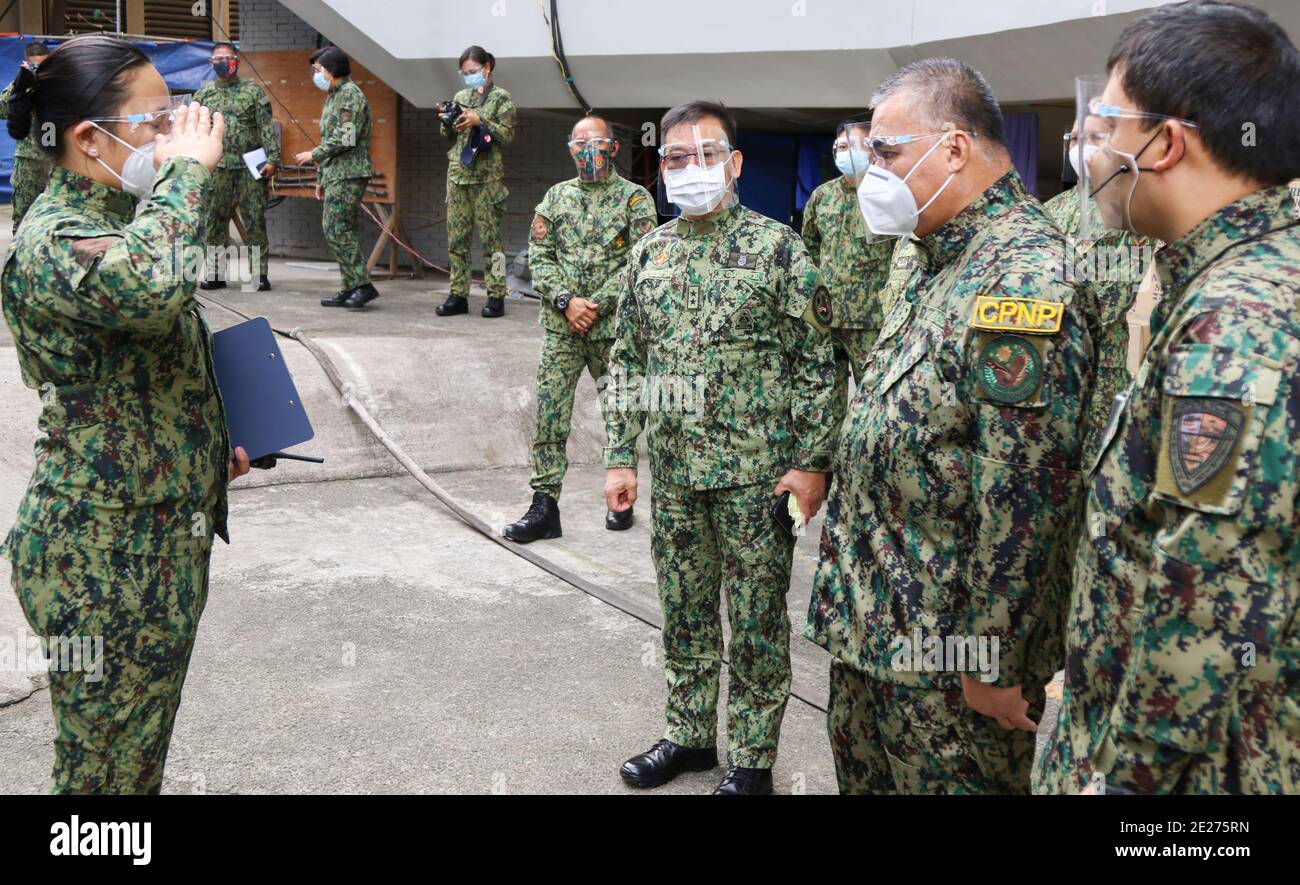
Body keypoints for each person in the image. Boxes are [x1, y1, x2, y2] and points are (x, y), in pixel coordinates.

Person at [805, 58, 1091, 794]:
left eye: (888, 153)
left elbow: (1027, 498)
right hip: (875, 641)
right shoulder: (935, 257)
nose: (873, 174)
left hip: (946, 672)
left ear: (954, 148)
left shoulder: (1022, 277)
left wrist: (989, 662)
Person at [1037, 0, 1300, 795]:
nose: (1095, 148)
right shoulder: (1239, 275)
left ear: (1165, 143)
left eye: (1107, 123)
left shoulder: (1236, 321)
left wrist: (1128, 779)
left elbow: (1211, 584)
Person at [0, 34, 251, 794]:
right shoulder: (54, 239)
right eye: (156, 121)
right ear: (88, 139)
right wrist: (184, 173)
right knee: (101, 775)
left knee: (135, 760)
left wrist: (207, 441)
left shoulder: (124, 219)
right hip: (99, 557)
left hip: (154, 537)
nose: (173, 135)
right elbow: (150, 288)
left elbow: (143, 362)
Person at [605, 100, 841, 795]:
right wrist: (622, 455)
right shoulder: (648, 254)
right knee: (684, 610)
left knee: (759, 622)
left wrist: (811, 463)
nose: (690, 169)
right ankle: (689, 734)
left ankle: (752, 761)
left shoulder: (779, 251)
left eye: (705, 156)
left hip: (756, 479)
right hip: (677, 476)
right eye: (676, 158)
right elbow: (627, 362)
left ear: (734, 165)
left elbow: (817, 364)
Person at [502, 116, 657, 543]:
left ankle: (620, 497)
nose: (589, 149)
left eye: (598, 141)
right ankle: (544, 506)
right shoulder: (556, 198)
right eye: (580, 142)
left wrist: (597, 304)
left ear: (614, 148)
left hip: (614, 331)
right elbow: (540, 254)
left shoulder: (634, 199)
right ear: (570, 149)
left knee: (621, 413)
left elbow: (640, 260)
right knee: (550, 415)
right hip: (561, 329)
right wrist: (565, 302)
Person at [1044, 124, 1152, 464]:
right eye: (1074, 139)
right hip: (1054, 376)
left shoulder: (1131, 212)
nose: (1081, 147)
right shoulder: (1047, 212)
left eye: (1094, 137)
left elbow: (1117, 296)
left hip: (1109, 377)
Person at [800, 122, 896, 403]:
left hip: (871, 319)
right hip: (828, 316)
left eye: (849, 147)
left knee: (874, 394)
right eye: (839, 147)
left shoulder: (888, 195)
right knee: (825, 394)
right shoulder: (822, 196)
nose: (842, 153)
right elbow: (811, 247)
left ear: (871, 150)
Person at [434, 45, 516, 319]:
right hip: (458, 177)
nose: (468, 77)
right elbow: (448, 135)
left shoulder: (502, 99)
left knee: (492, 244)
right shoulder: (461, 96)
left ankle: (496, 295)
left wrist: (479, 119)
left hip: (487, 180)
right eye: (464, 73)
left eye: (472, 71)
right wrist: (447, 118)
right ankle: (458, 294)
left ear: (486, 68)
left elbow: (506, 135)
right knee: (456, 241)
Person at [294, 47, 378, 310]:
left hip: (349, 172)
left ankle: (363, 285)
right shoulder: (334, 96)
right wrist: (322, 177)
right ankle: (349, 286)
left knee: (335, 229)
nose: (315, 74)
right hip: (336, 174)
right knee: (341, 229)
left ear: (331, 70)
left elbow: (347, 136)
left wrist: (314, 154)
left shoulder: (350, 95)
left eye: (318, 70)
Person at [194, 42, 280, 292]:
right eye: (218, 58)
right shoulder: (203, 94)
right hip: (217, 166)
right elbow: (198, 128)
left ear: (237, 61)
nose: (223, 63)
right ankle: (214, 272)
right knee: (214, 221)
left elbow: (266, 127)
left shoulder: (253, 93)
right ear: (211, 64)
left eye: (228, 58)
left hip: (249, 167)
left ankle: (259, 274)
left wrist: (273, 159)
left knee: (254, 220)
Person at [0, 41, 52, 231]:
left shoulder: (59, 86)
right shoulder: (21, 86)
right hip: (27, 165)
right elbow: (2, 109)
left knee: (51, 222)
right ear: (26, 63)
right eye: (34, 66)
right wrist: (19, 86)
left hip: (53, 164)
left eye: (43, 65)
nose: (39, 71)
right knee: (23, 222)